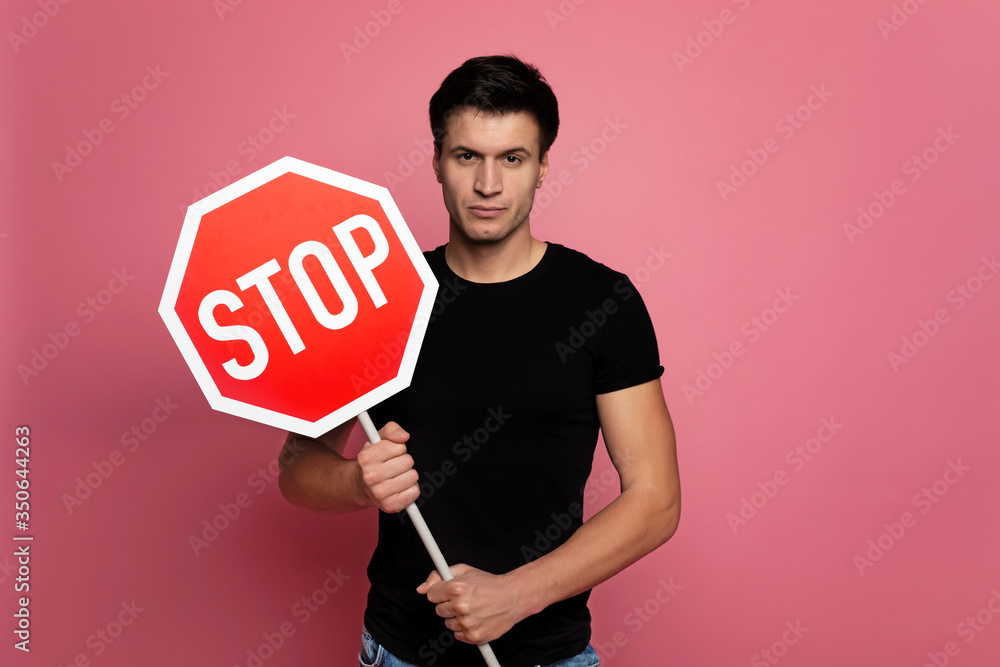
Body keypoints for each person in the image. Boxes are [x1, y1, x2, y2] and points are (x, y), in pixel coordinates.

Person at [278, 55, 680, 667]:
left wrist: (515, 595)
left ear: (543, 166)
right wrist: (356, 481)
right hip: (398, 651)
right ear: (438, 160)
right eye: (467, 156)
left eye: (512, 158)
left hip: (548, 655)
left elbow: (655, 500)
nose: (488, 185)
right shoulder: (378, 298)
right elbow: (295, 467)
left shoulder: (603, 302)